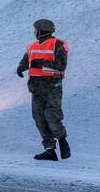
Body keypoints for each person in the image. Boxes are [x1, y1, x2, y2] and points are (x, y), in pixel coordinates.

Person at [16, 18, 70, 161]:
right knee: (39, 118)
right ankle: (50, 150)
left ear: (41, 30)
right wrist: (21, 67)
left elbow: (61, 65)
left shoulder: (57, 45)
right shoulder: (33, 46)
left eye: (35, 29)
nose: (34, 32)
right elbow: (27, 60)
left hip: (52, 87)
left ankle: (63, 142)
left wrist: (40, 63)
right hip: (36, 87)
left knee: (52, 116)